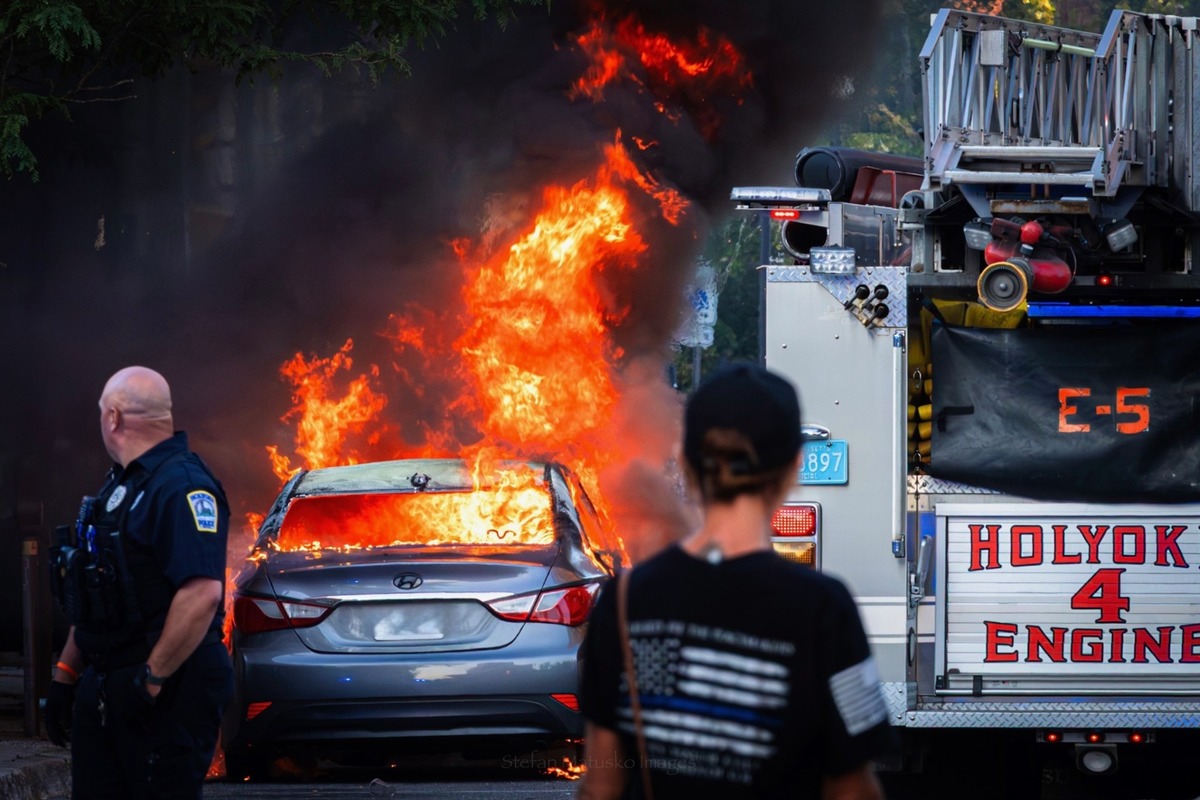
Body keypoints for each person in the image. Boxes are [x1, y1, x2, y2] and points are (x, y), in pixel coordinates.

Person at [577, 363, 894, 800]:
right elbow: (852, 790)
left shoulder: (626, 600)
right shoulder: (822, 608)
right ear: (792, 469)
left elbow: (601, 785)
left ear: (686, 463)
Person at [44, 366, 234, 799]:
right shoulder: (122, 485)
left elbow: (201, 593)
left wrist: (150, 681)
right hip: (110, 681)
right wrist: (66, 675)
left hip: (167, 687)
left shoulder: (182, 486)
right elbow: (95, 587)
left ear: (113, 417)